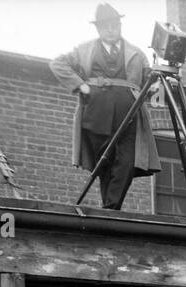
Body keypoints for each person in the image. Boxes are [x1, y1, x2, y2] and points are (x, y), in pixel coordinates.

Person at [49, 3, 161, 210]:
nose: (110, 30)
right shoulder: (83, 50)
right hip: (96, 112)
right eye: (104, 27)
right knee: (105, 161)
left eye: (113, 25)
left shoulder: (136, 53)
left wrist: (156, 85)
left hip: (129, 112)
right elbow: (57, 64)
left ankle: (111, 207)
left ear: (120, 26)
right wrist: (81, 85)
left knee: (127, 160)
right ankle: (110, 209)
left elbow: (149, 79)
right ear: (98, 29)